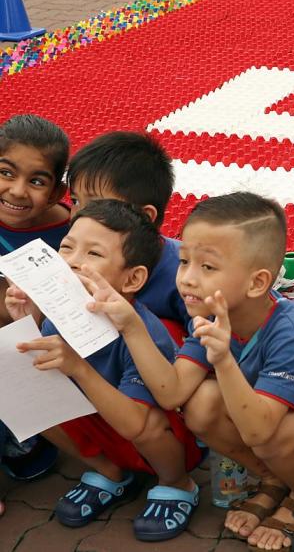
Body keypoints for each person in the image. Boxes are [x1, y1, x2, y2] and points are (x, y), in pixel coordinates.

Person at [88, 192, 294, 551]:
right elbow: (172, 393)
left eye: (207, 267)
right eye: (185, 261)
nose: (188, 278)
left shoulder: (292, 334)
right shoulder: (210, 315)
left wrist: (222, 360)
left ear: (257, 283)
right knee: (200, 403)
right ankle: (274, 479)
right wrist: (131, 326)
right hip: (265, 417)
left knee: (274, 435)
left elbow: (259, 429)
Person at [7, 200, 202, 541]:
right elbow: (42, 373)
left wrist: (78, 368)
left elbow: (137, 424)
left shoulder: (142, 332)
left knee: (151, 426)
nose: (71, 262)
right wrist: (25, 321)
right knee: (24, 390)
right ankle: (110, 473)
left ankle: (177, 484)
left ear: (132, 278)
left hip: (163, 438)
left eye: (93, 255)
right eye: (66, 247)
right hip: (103, 425)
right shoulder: (57, 317)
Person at [0, 114, 70, 496]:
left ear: (57, 193)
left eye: (36, 181)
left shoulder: (73, 232)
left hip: (46, 346)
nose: (17, 191)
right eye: (6, 173)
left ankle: (25, 436)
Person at [66, 131, 189, 340]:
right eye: (75, 201)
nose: (81, 214)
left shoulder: (186, 275)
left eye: (97, 204)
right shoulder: (72, 253)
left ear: (145, 216)